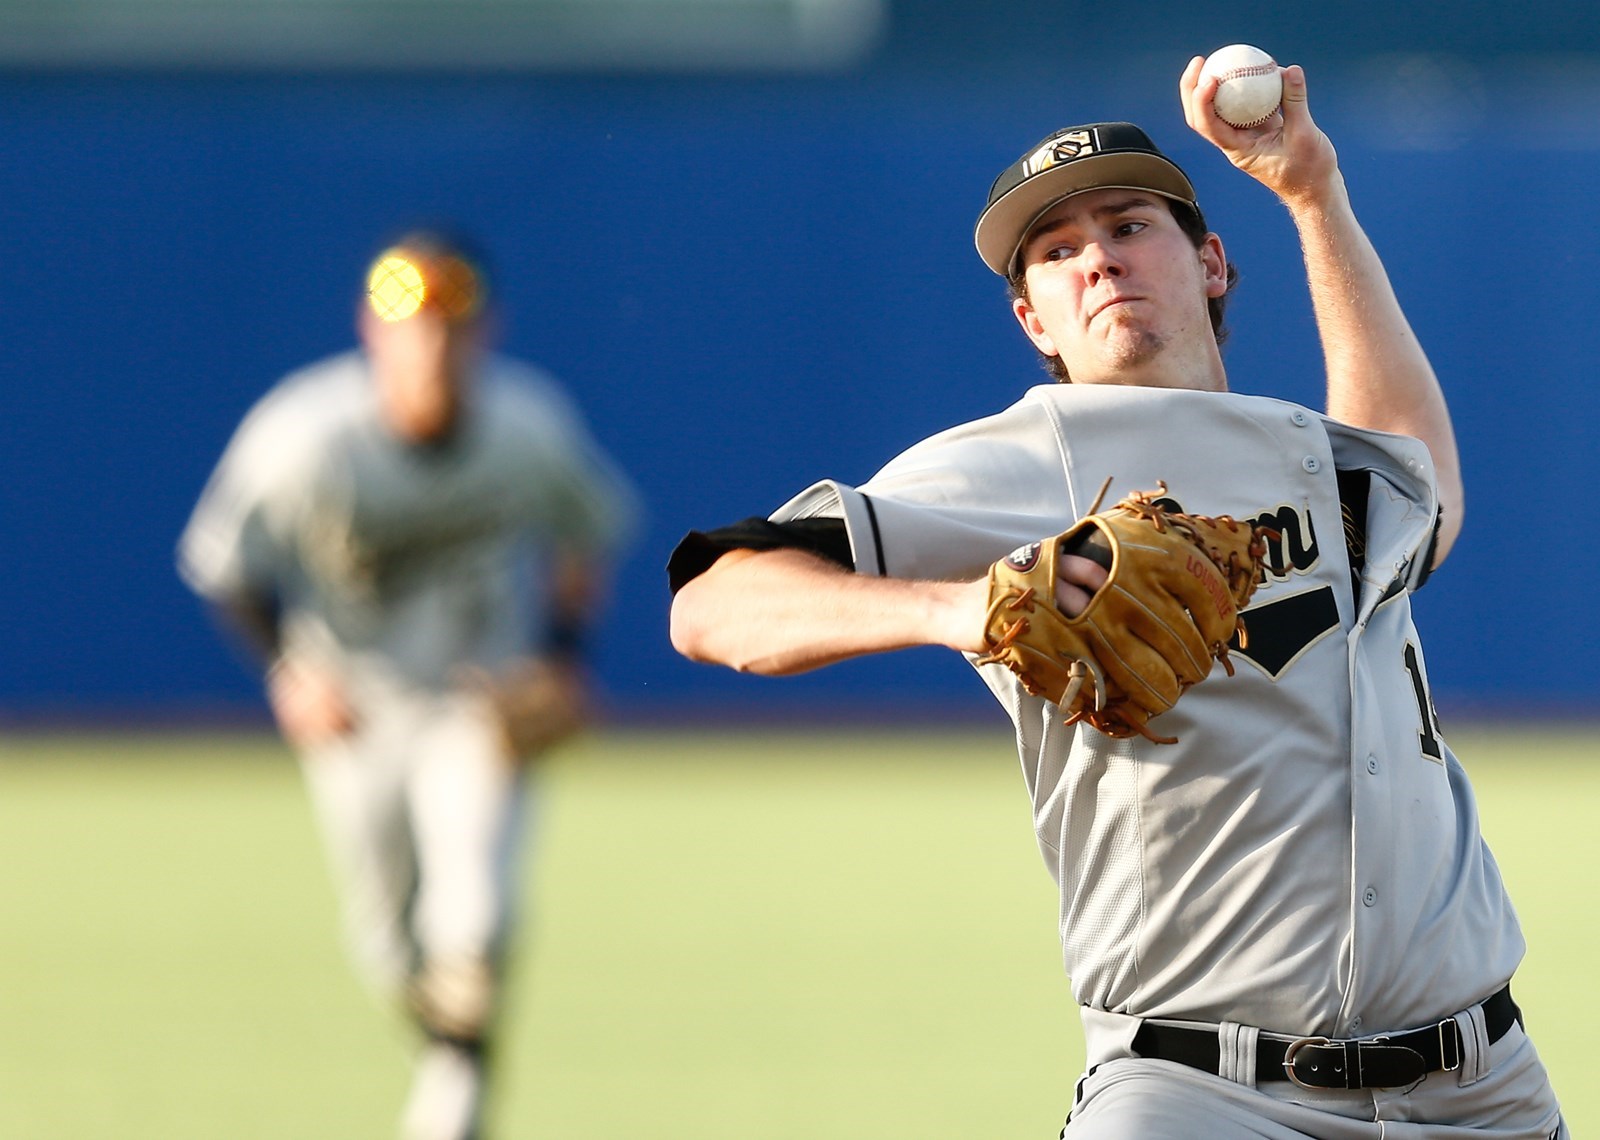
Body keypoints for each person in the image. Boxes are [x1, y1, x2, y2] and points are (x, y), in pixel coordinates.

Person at [667, 57, 1567, 1138]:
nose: (1096, 257)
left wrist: (1313, 195)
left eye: (1129, 224)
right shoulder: (1028, 456)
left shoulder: (1319, 459)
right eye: (1056, 252)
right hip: (1203, 1091)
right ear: (1033, 322)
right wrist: (961, 611)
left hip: (1481, 1087)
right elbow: (713, 606)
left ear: (1213, 262)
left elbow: (1421, 479)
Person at [179, 230, 637, 1140]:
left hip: (477, 698)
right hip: (357, 704)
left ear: (483, 329)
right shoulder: (305, 434)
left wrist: (560, 655)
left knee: (472, 905)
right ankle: (446, 1058)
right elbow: (220, 563)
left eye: (449, 324)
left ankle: (454, 1102)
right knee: (386, 939)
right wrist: (286, 671)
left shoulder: (524, 425)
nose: (430, 343)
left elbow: (590, 530)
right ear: (371, 330)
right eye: (410, 325)